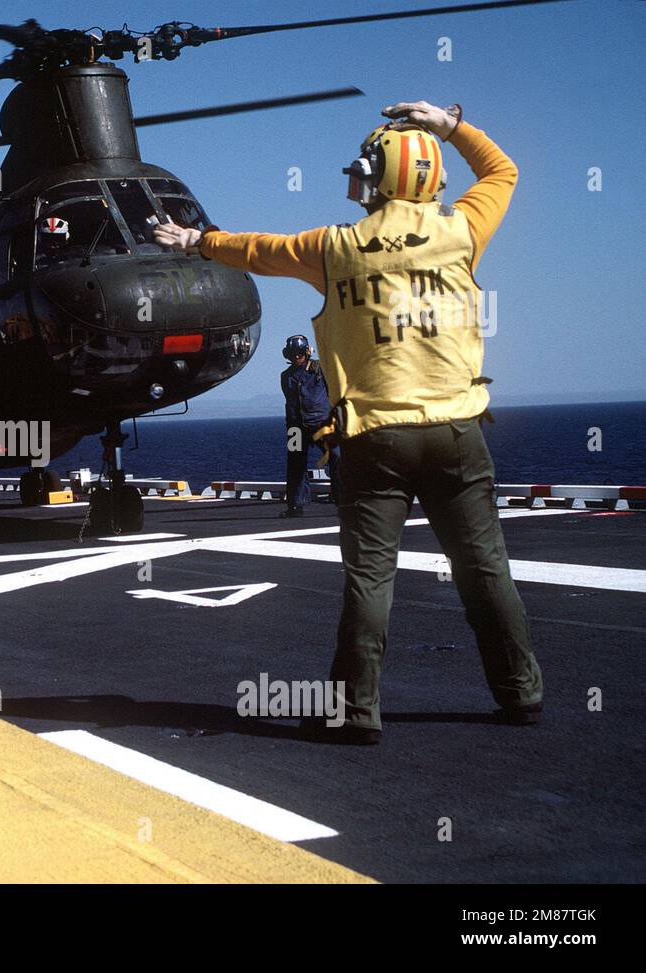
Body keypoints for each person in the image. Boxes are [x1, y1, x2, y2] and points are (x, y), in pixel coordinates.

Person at [156, 100, 542, 743]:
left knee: (369, 577)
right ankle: (521, 695)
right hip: (456, 432)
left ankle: (357, 712)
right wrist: (448, 125)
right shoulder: (463, 231)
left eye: (362, 171)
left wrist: (197, 241)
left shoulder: (335, 248)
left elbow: (258, 250)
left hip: (373, 439)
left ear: (379, 176)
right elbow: (501, 170)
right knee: (484, 571)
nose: (353, 182)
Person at [279, 334, 334, 518]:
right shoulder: (285, 377)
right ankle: (295, 505)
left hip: (321, 424)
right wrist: (290, 426)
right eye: (293, 354)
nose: (296, 357)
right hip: (295, 428)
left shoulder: (320, 369)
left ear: (306, 352)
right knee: (295, 465)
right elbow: (289, 402)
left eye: (299, 353)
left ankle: (344, 500)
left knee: (338, 458)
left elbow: (334, 392)